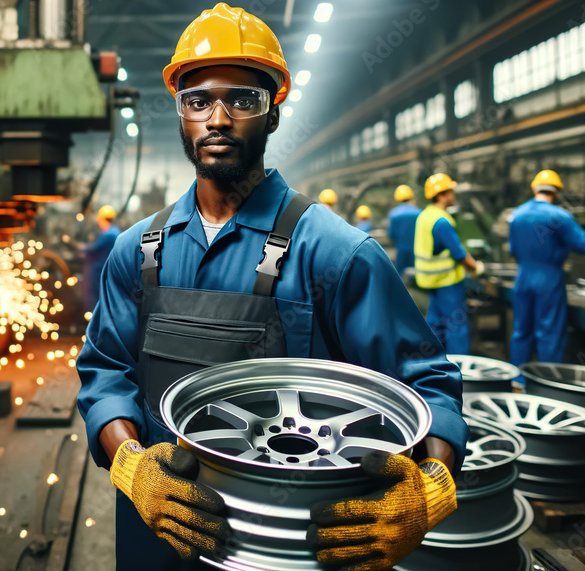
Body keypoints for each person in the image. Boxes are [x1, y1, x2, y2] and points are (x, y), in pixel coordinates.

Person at [76, 4, 467, 571]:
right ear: (180, 113)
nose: (218, 118)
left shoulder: (334, 254)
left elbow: (426, 384)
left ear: (273, 114)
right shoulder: (137, 250)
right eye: (198, 100)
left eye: (243, 100)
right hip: (158, 536)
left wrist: (430, 486)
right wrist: (133, 467)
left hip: (291, 544)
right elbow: (106, 371)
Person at [508, 169, 585, 374]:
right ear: (555, 192)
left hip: (523, 278)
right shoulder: (559, 216)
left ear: (535, 189)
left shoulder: (516, 214)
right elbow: (584, 245)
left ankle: (517, 381)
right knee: (549, 332)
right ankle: (546, 382)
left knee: (521, 331)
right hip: (549, 280)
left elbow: (513, 250)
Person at [414, 173, 483, 355]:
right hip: (448, 283)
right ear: (441, 195)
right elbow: (459, 253)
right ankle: (461, 372)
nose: (453, 195)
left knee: (436, 327)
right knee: (456, 329)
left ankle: (436, 367)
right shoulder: (441, 221)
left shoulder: (424, 216)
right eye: (450, 191)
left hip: (431, 281)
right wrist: (476, 267)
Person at [81, 205, 120, 312]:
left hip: (98, 269)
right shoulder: (115, 231)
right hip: (104, 269)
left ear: (101, 219)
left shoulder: (110, 234)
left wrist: (81, 247)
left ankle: (92, 320)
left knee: (93, 294)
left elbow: (95, 248)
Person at [388, 184, 421, 277]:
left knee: (401, 276)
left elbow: (391, 234)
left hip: (401, 249)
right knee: (415, 275)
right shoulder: (418, 212)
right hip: (416, 249)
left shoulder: (393, 214)